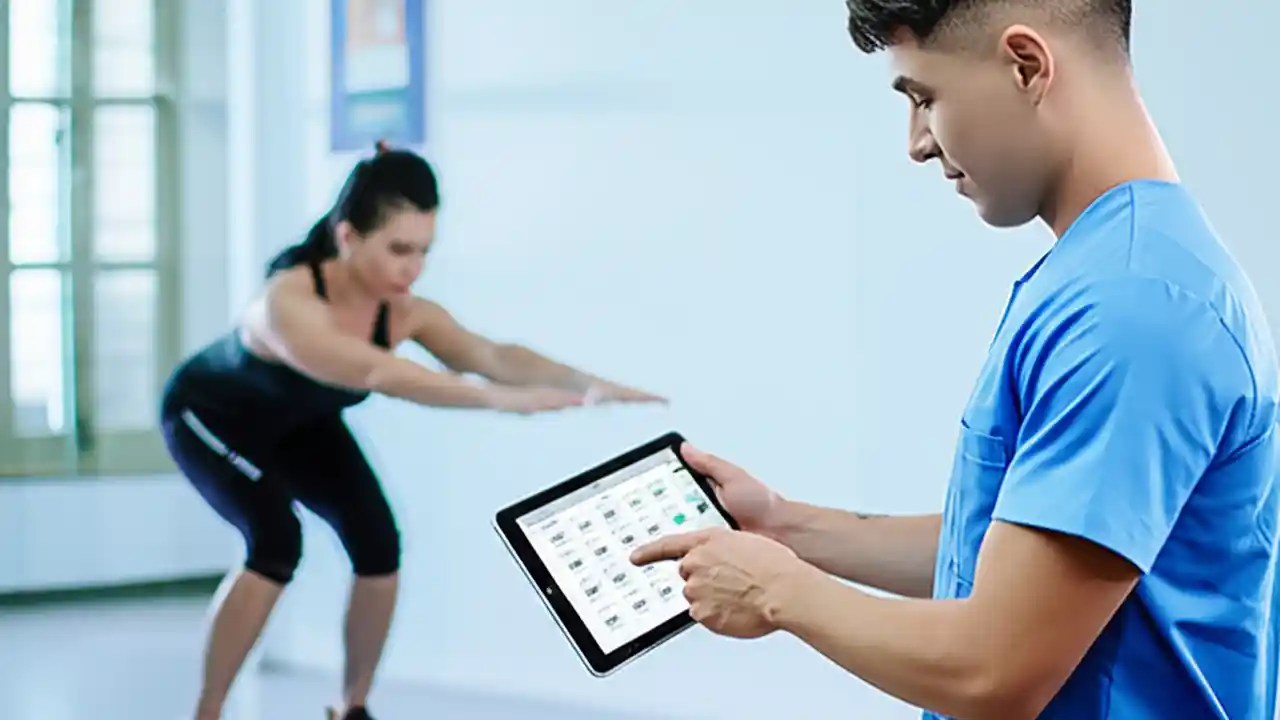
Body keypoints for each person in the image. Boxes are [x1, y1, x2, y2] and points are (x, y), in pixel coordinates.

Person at [631, 1, 1280, 718]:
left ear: (1026, 66)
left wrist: (777, 591)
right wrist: (786, 527)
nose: (915, 142)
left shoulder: (1134, 307)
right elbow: (1023, 555)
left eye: (924, 98)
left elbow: (994, 670)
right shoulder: (1120, 273)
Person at [161, 142, 664, 720]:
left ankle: (351, 708)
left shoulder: (403, 310)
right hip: (211, 416)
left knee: (379, 545)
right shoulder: (288, 301)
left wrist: (591, 384)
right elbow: (380, 371)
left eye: (423, 250)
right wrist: (503, 403)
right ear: (348, 237)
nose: (413, 268)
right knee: (275, 540)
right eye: (399, 249)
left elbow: (489, 354)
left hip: (301, 422)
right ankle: (207, 712)